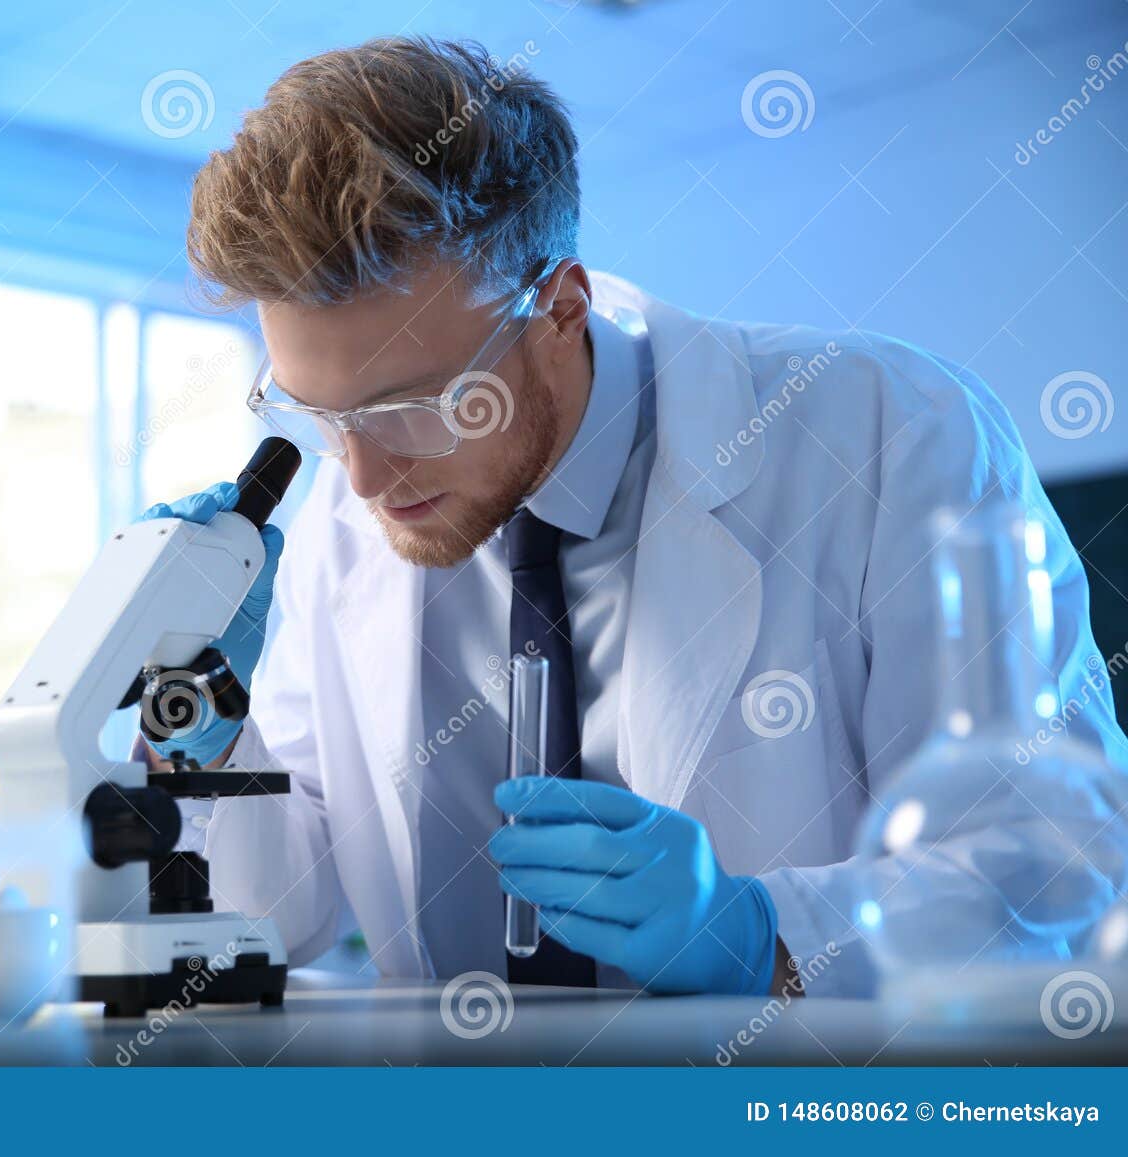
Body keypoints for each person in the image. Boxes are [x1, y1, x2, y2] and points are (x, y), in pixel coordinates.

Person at [131, 37, 1128, 997]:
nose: (361, 475)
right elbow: (279, 907)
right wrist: (206, 724)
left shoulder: (887, 431)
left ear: (560, 307)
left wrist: (759, 933)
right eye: (320, 414)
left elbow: (1053, 859)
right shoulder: (344, 527)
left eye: (413, 407)